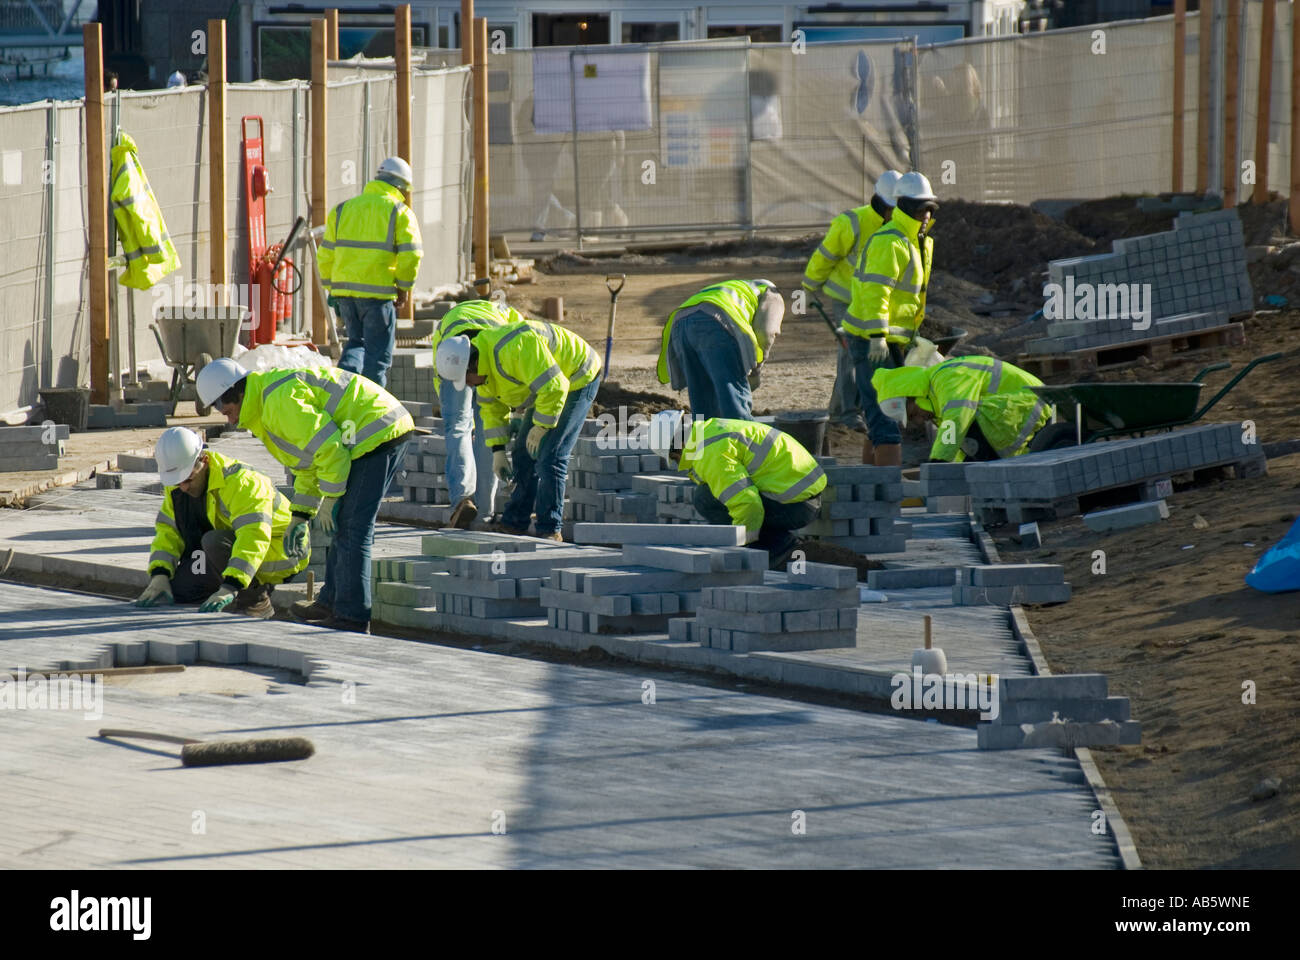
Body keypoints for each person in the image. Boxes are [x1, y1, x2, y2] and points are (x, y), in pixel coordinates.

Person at [196, 359, 414, 634]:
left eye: (225, 409)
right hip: (367, 434)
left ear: (236, 392)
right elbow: (308, 465)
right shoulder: (264, 408)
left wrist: (332, 498)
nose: (228, 418)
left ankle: (352, 618)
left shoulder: (277, 404)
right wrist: (301, 515)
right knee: (344, 528)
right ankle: (330, 602)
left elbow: (331, 450)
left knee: (352, 529)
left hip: (377, 431)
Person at [436, 318, 600, 541]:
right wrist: (498, 451)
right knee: (523, 452)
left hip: (577, 376)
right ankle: (515, 523)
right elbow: (492, 409)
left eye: (466, 379)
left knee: (550, 456)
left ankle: (549, 529)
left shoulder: (515, 349)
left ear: (471, 365)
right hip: (546, 389)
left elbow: (556, 387)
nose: (467, 385)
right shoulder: (484, 369)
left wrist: (542, 427)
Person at [135, 427, 310, 618]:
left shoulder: (243, 482)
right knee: (181, 591)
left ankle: (255, 601)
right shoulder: (178, 486)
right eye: (177, 483)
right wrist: (159, 573)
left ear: (204, 461)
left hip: (282, 551)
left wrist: (231, 585)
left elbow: (254, 537)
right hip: (227, 548)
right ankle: (220, 594)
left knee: (213, 541)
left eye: (188, 480)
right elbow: (168, 531)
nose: (183, 487)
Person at [648, 410, 826, 570]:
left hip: (799, 505)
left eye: (673, 457)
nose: (677, 463)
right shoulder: (709, 430)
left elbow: (747, 503)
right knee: (713, 492)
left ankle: (779, 548)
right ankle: (770, 542)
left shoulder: (709, 453)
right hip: (802, 490)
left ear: (676, 446)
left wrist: (740, 546)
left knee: (706, 499)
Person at [845, 170, 939, 467]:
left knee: (884, 411)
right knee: (886, 413)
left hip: (891, 341)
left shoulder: (916, 242)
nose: (926, 214)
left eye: (929, 209)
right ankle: (888, 491)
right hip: (872, 341)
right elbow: (877, 292)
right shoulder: (891, 242)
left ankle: (870, 482)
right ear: (905, 206)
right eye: (921, 208)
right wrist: (876, 335)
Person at [802, 170, 902, 431]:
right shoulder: (853, 221)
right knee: (850, 352)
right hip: (846, 300)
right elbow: (825, 255)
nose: (895, 213)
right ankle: (846, 413)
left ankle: (854, 408)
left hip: (875, 301)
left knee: (869, 355)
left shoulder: (898, 226)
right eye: (892, 207)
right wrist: (809, 285)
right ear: (881, 202)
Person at [318, 157, 423, 389]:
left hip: (345, 295)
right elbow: (412, 254)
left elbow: (325, 255)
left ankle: (342, 395)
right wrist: (404, 288)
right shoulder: (399, 212)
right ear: (401, 187)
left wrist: (332, 290)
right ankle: (371, 411)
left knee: (355, 344)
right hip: (378, 297)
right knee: (377, 358)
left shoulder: (343, 209)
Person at [431, 299, 525, 528]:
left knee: (458, 429)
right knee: (488, 433)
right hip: (487, 359)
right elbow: (520, 338)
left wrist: (455, 414)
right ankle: (484, 513)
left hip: (454, 361)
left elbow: (440, 372)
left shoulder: (447, 324)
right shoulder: (507, 313)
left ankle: (462, 499)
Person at [871, 355, 1052, 463]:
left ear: (912, 394)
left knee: (969, 420)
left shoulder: (946, 378)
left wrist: (939, 461)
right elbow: (957, 445)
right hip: (1016, 411)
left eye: (913, 414)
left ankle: (996, 473)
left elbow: (958, 418)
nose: (919, 420)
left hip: (1031, 402)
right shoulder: (937, 399)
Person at [656, 279, 785, 421]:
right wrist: (755, 371)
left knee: (703, 406)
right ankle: (738, 440)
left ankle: (707, 441)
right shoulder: (771, 293)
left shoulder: (734, 286)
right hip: (715, 323)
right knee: (732, 400)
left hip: (680, 326)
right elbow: (766, 333)